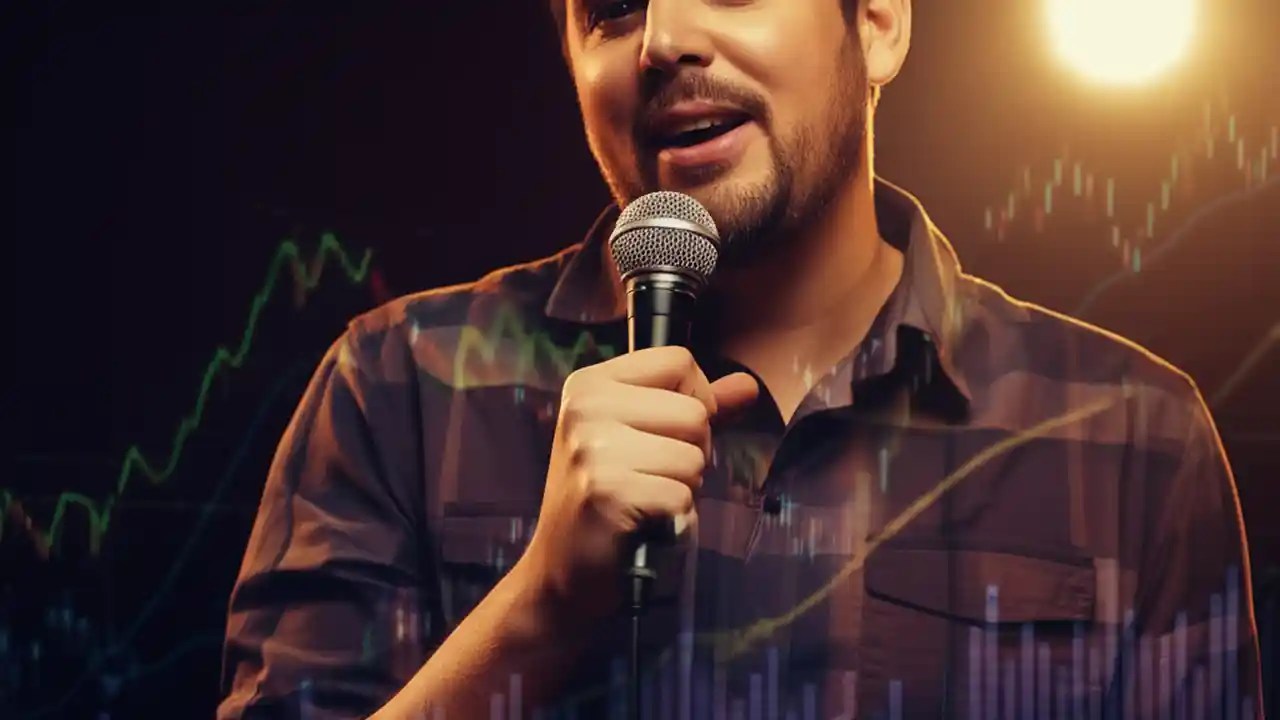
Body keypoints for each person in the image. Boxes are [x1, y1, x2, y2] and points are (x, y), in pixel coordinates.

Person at [217, 0, 1264, 717]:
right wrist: (536, 608)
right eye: (612, 6)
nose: (663, 38)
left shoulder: (1131, 438)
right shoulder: (399, 387)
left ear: (880, 19)